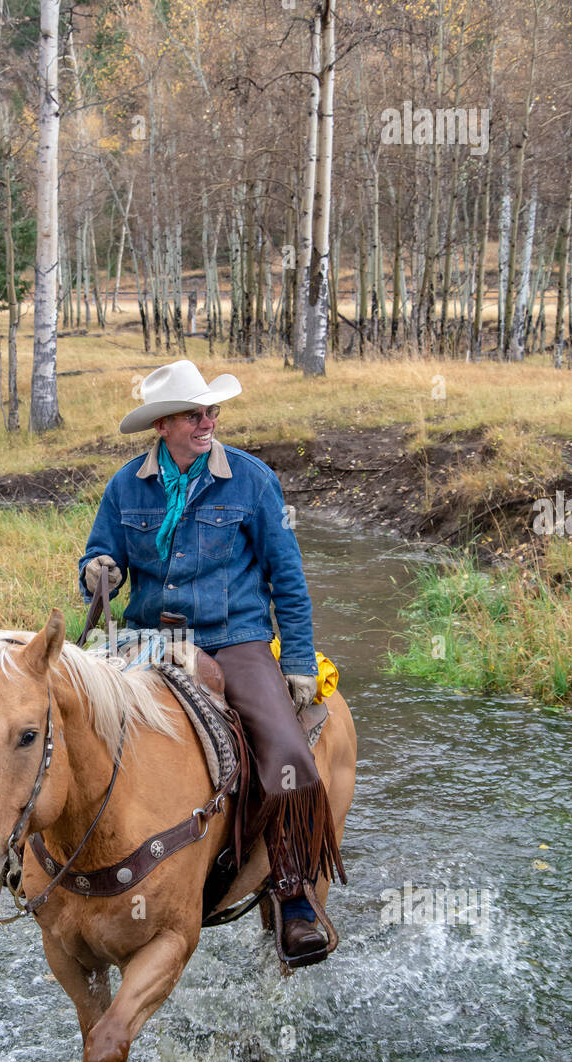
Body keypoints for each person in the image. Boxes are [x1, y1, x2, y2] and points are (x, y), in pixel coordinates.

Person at [77, 359, 345, 967]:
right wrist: (98, 569)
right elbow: (101, 550)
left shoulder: (252, 480)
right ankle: (44, 866)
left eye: (212, 412)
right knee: (69, 722)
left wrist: (298, 660)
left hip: (235, 639)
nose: (208, 421)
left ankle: (292, 891)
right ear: (163, 425)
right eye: (195, 414)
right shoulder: (126, 485)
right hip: (146, 639)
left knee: (287, 754)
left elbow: (288, 578)